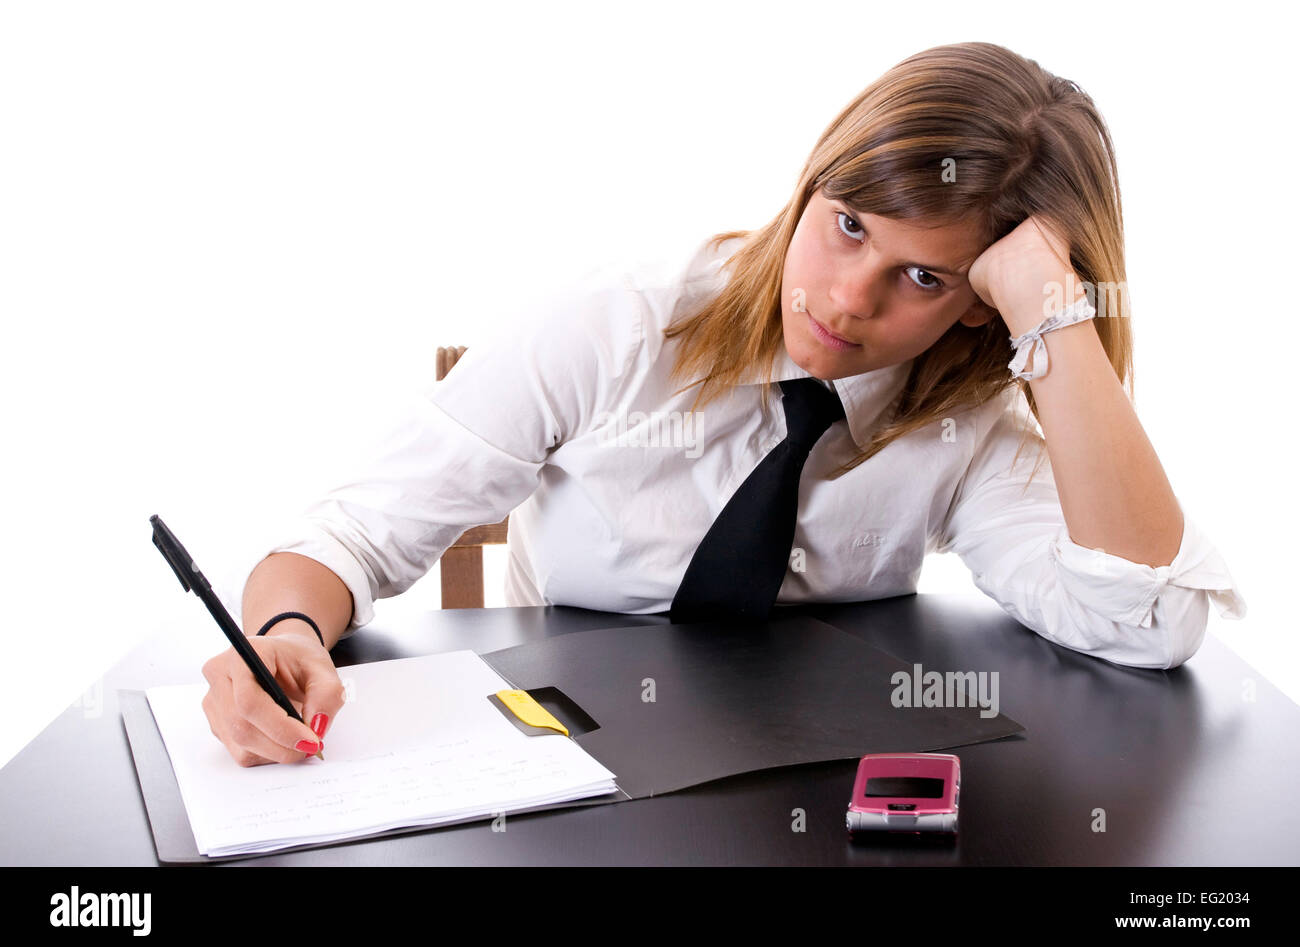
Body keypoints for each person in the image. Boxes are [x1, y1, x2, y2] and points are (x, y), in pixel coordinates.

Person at [201, 41, 1246, 767]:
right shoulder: (614, 323)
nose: (847, 298)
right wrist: (285, 632)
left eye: (926, 278)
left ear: (982, 309)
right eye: (845, 226)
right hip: (562, 759)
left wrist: (1058, 321)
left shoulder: (967, 423)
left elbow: (1145, 621)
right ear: (810, 185)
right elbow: (346, 533)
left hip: (817, 777)